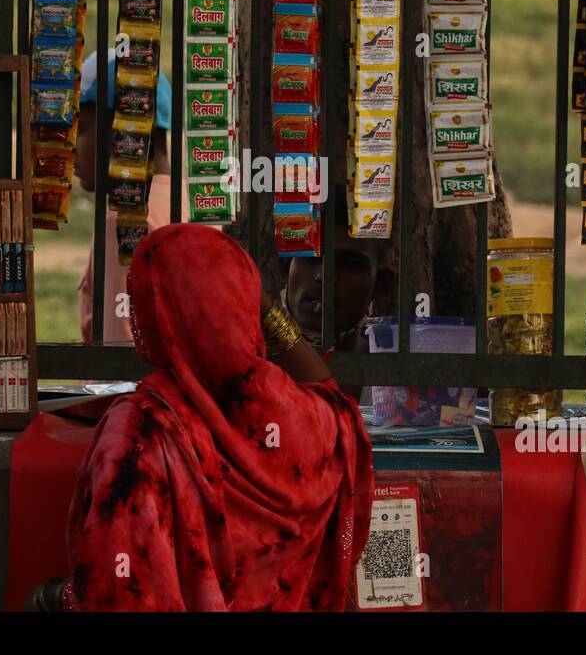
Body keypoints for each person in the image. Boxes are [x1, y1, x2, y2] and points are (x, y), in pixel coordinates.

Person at [56, 224, 373, 611]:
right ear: (246, 303)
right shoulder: (302, 417)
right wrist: (267, 309)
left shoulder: (141, 429)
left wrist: (52, 597)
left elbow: (114, 590)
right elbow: (333, 398)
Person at [74, 48, 172, 344]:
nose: (69, 148)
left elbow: (119, 362)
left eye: (81, 129)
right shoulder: (188, 204)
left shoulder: (123, 219)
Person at [283, 202, 396, 354]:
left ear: (381, 285)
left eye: (349, 264)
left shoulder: (393, 369)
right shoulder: (247, 357)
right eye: (309, 258)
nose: (323, 277)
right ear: (285, 268)